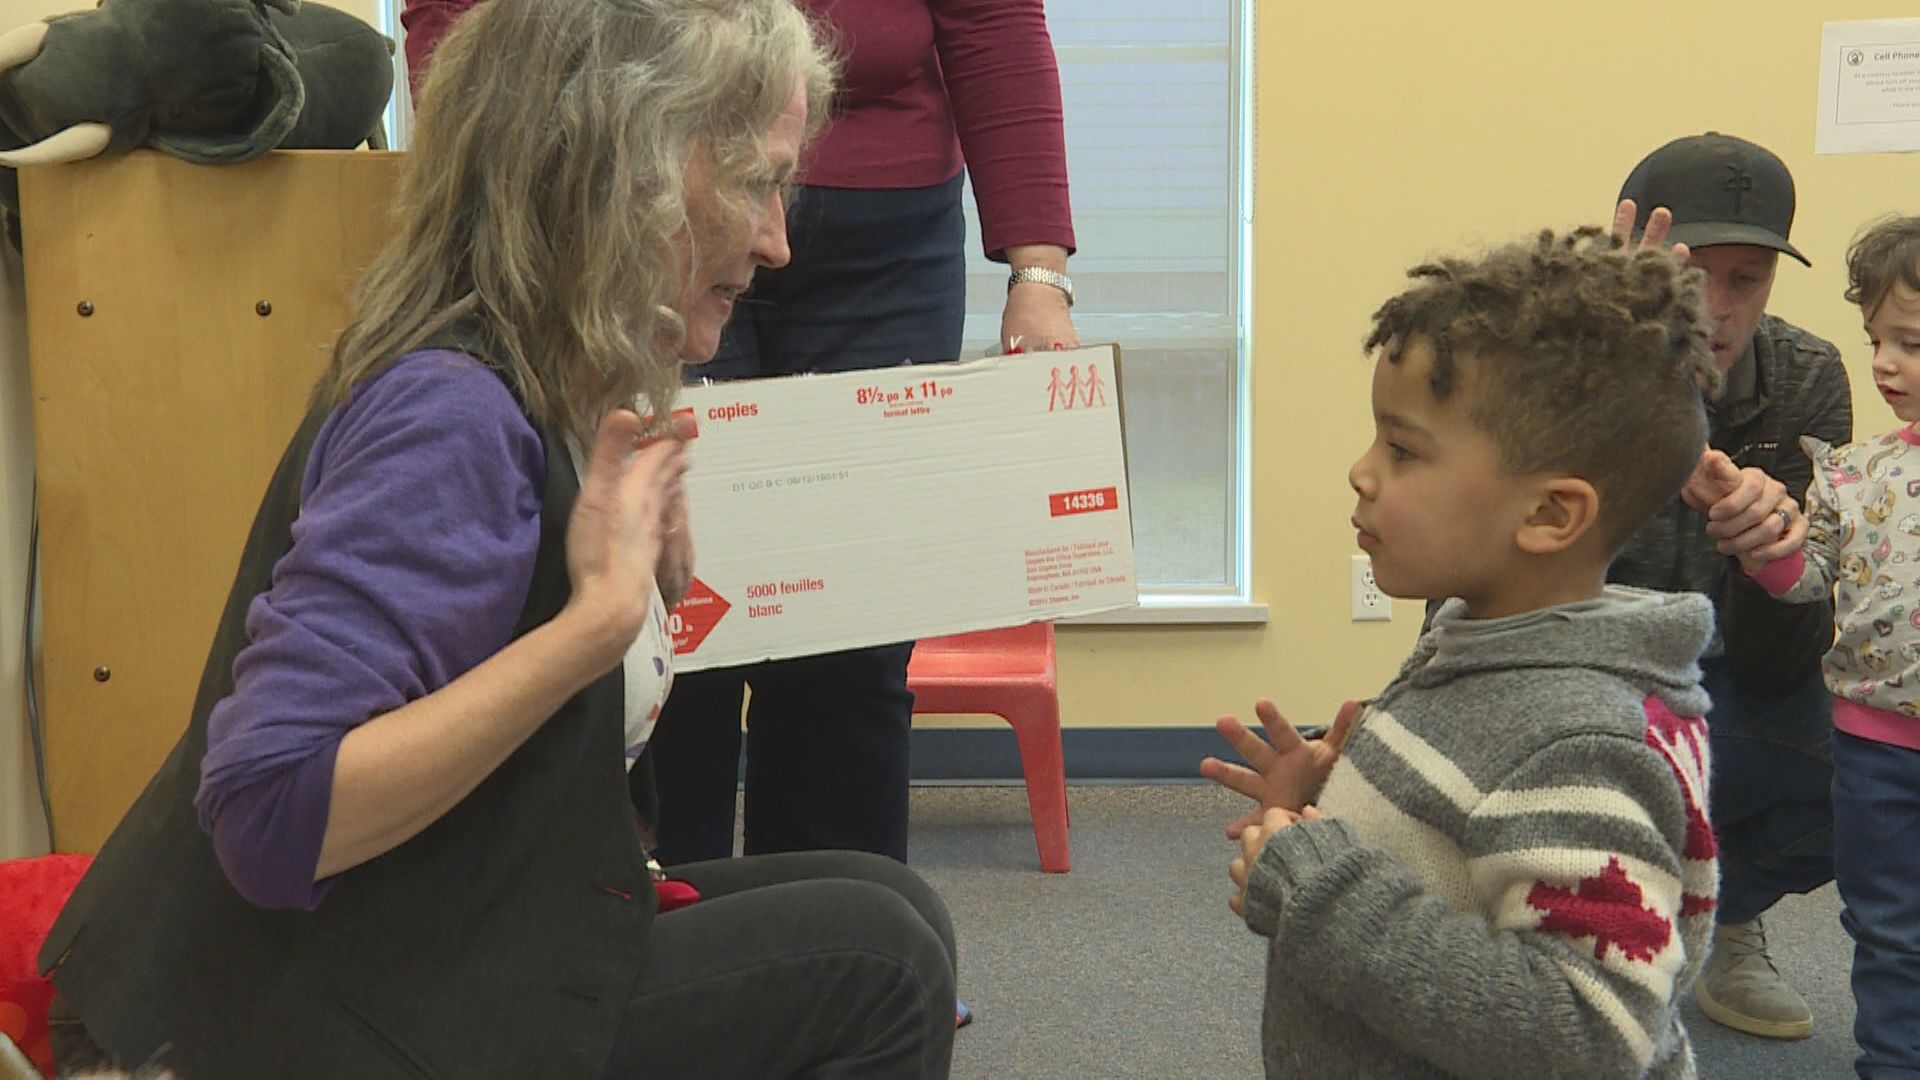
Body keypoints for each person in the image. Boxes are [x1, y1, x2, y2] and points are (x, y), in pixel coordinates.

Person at [34, 1, 959, 1076]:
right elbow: (269, 811)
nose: (778, 240)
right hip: (262, 1023)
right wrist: (594, 625)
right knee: (881, 963)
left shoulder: (561, 382)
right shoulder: (451, 417)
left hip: (407, 936)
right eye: (756, 181)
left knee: (891, 903)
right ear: (625, 176)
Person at [1206, 228, 1722, 1078]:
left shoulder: (1581, 744)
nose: (1360, 472)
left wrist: (1320, 890)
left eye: (1403, 450)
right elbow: (1460, 854)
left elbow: (1585, 1032)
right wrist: (1330, 802)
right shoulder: (1482, 646)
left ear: (1552, 516)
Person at [1605, 132, 1852, 1041]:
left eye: (1745, 278)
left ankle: (1713, 914)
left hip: (1728, 680)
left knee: (1872, 770)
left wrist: (1770, 561)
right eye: (1684, 273)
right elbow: (1472, 597)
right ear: (1626, 260)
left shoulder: (1806, 378)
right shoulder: (1552, 370)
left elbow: (1785, 664)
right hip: (1582, 675)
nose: (1714, 307)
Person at [1729, 214, 1920, 1078]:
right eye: (1877, 339)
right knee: (1888, 928)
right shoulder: (1856, 472)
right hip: (1877, 753)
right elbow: (1808, 580)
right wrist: (1766, 547)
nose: (1882, 365)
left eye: (1910, 344)